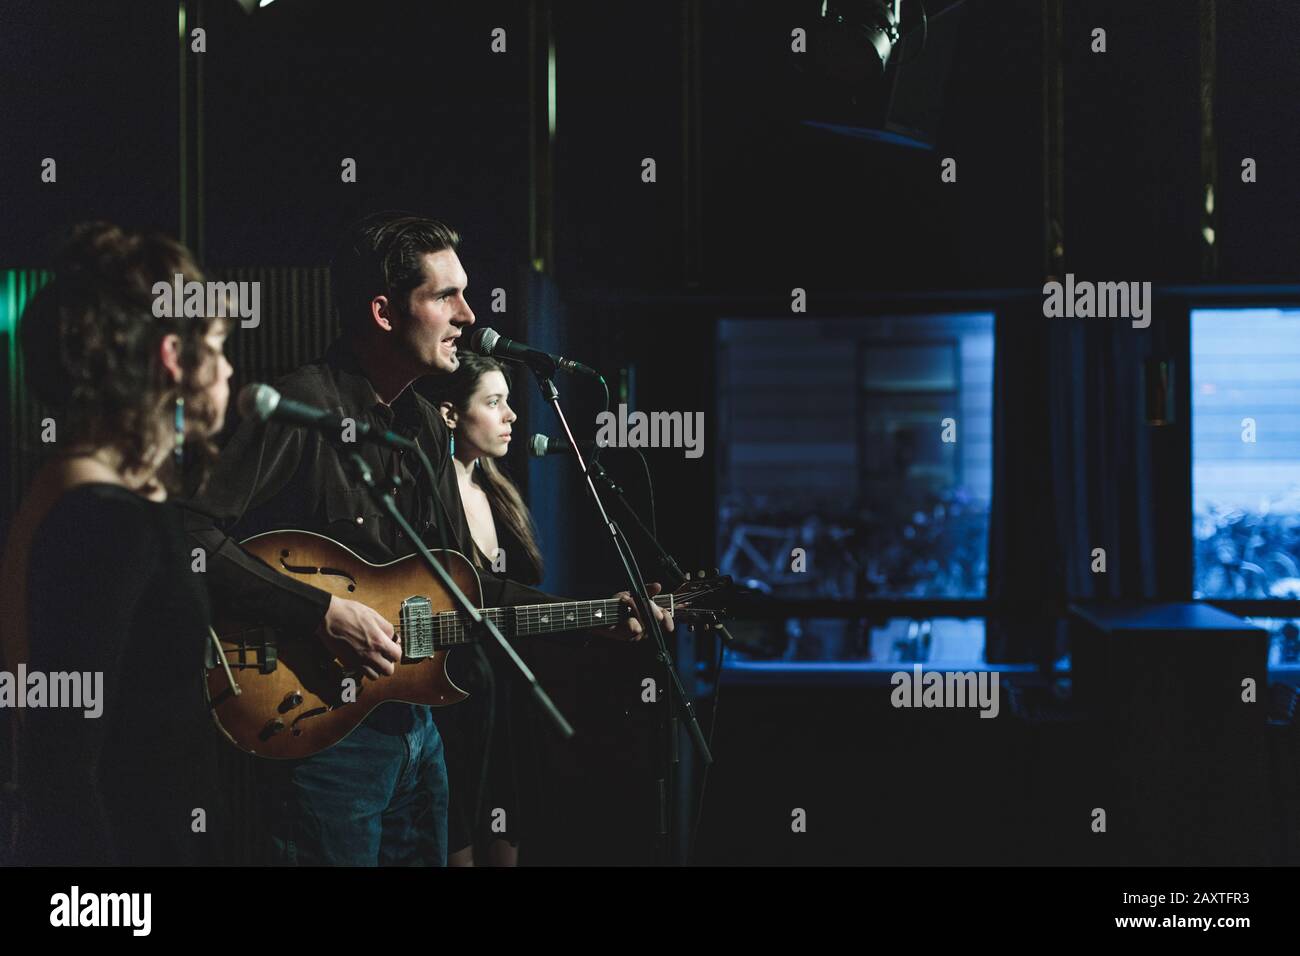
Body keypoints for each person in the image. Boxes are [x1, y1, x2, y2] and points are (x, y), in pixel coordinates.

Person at [182, 211, 673, 866]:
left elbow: (467, 588)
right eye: (446, 296)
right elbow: (187, 534)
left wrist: (596, 617)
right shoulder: (298, 406)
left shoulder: (420, 427)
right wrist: (321, 611)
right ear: (384, 312)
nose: (468, 315)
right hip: (320, 732)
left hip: (417, 731)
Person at [0, 221, 233, 865]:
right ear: (172, 357)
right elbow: (63, 768)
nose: (230, 370)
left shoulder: (86, 495)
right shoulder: (103, 519)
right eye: (218, 345)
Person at [424, 352, 543, 866]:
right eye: (494, 403)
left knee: (506, 824)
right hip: (450, 693)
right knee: (458, 833)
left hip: (507, 691)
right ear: (451, 415)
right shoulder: (427, 495)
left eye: (509, 402)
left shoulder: (497, 491)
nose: (511, 416)